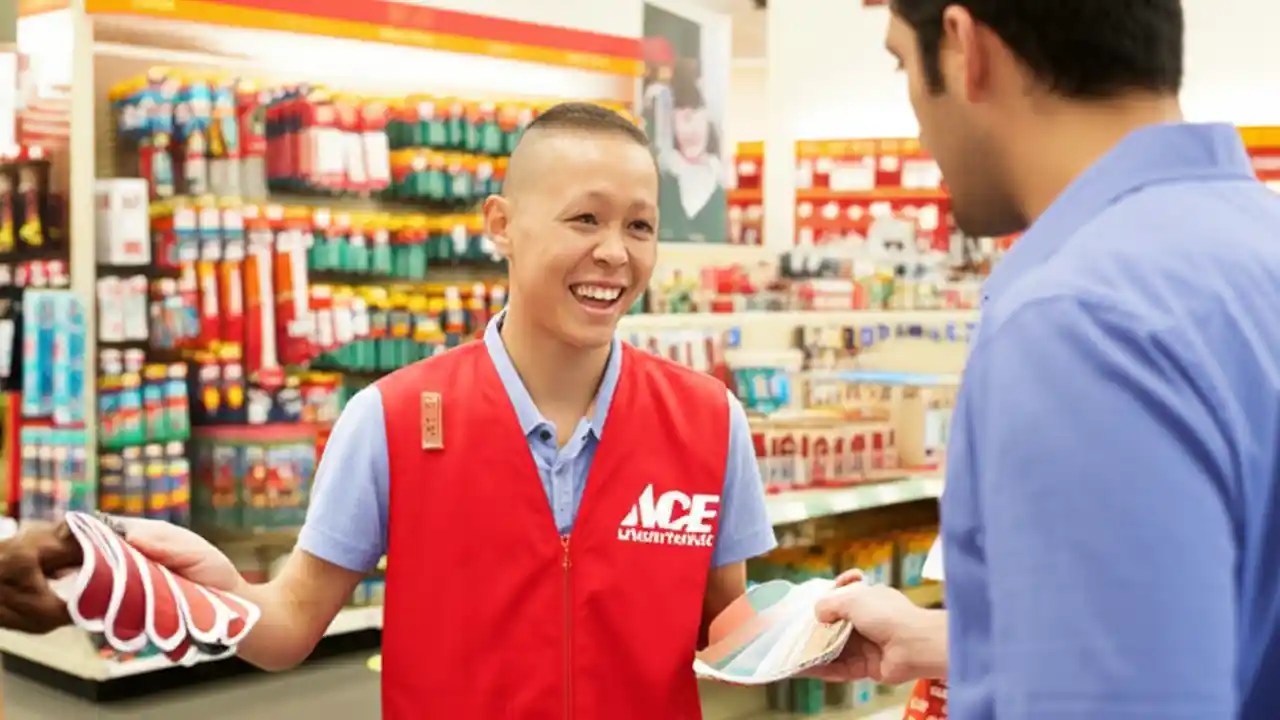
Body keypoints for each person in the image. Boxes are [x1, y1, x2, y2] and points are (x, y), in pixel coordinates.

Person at [23, 103, 779, 718]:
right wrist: (190, 587)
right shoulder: (389, 419)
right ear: (500, 225)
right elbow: (289, 625)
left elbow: (724, 628)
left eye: (639, 226)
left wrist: (817, 629)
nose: (616, 251)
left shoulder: (708, 421)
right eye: (585, 219)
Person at [816, 1, 1280, 718]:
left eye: (902, 63)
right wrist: (961, 643)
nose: (913, 118)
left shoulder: (1078, 321)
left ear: (964, 47)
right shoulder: (1252, 248)